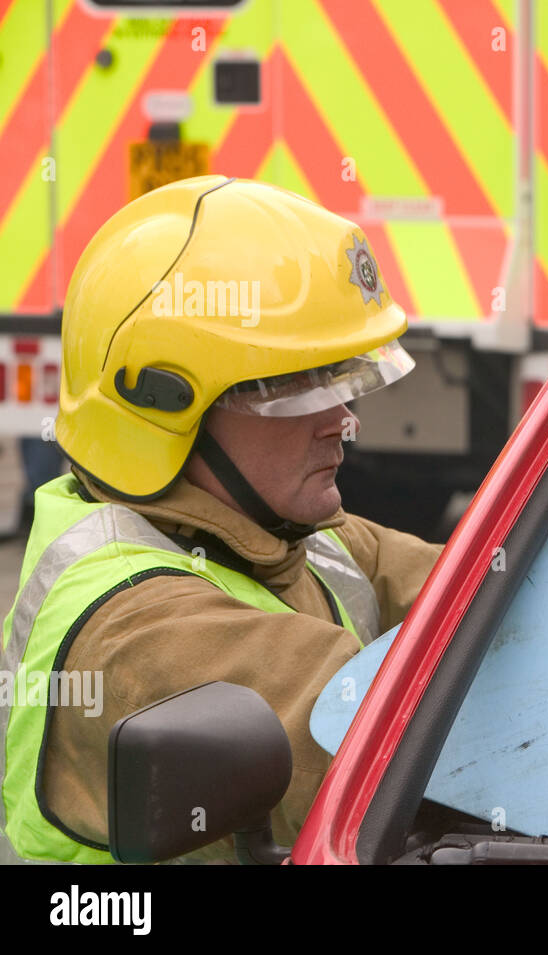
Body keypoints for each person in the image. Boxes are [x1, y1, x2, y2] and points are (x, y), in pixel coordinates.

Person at [0, 176, 444, 863]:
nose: (342, 421)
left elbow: (481, 586)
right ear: (166, 403)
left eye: (341, 379)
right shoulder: (132, 629)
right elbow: (376, 737)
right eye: (299, 387)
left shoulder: (280, 538)